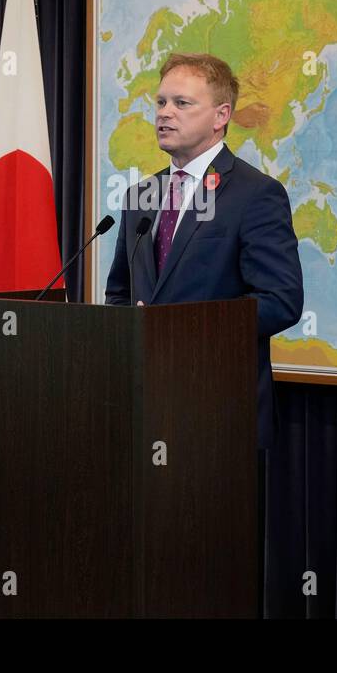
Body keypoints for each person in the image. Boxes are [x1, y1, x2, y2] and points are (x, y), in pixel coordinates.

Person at [105, 52, 304, 448]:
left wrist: (185, 326)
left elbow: (281, 301)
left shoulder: (255, 194)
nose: (165, 113)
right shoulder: (140, 195)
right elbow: (121, 294)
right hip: (144, 407)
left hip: (219, 411)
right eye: (161, 102)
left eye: (182, 103)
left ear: (220, 116)